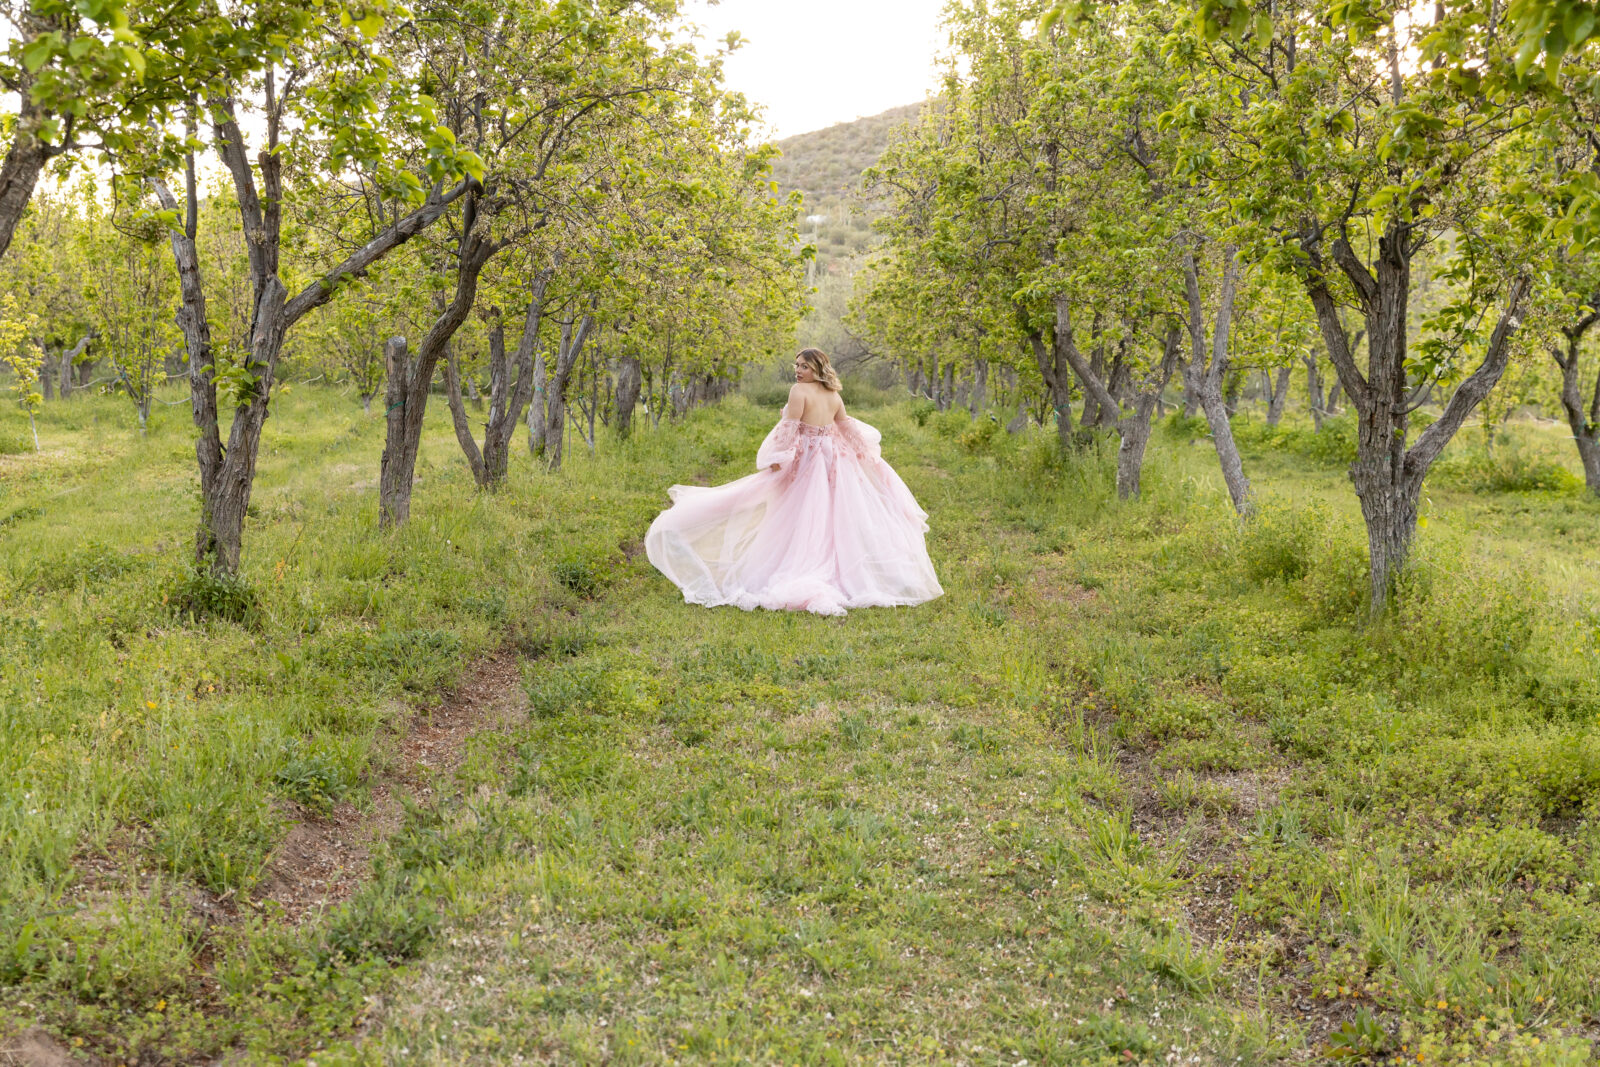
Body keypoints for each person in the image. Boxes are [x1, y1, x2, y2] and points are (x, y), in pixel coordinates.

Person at [644, 348, 943, 617]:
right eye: (797, 366)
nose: (799, 371)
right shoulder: (833, 394)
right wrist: (862, 454)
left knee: (804, 512)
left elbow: (791, 429)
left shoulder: (799, 392)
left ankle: (808, 566)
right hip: (831, 458)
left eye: (805, 367)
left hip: (813, 460)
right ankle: (830, 566)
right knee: (826, 513)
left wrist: (779, 457)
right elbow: (844, 427)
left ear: (819, 368)